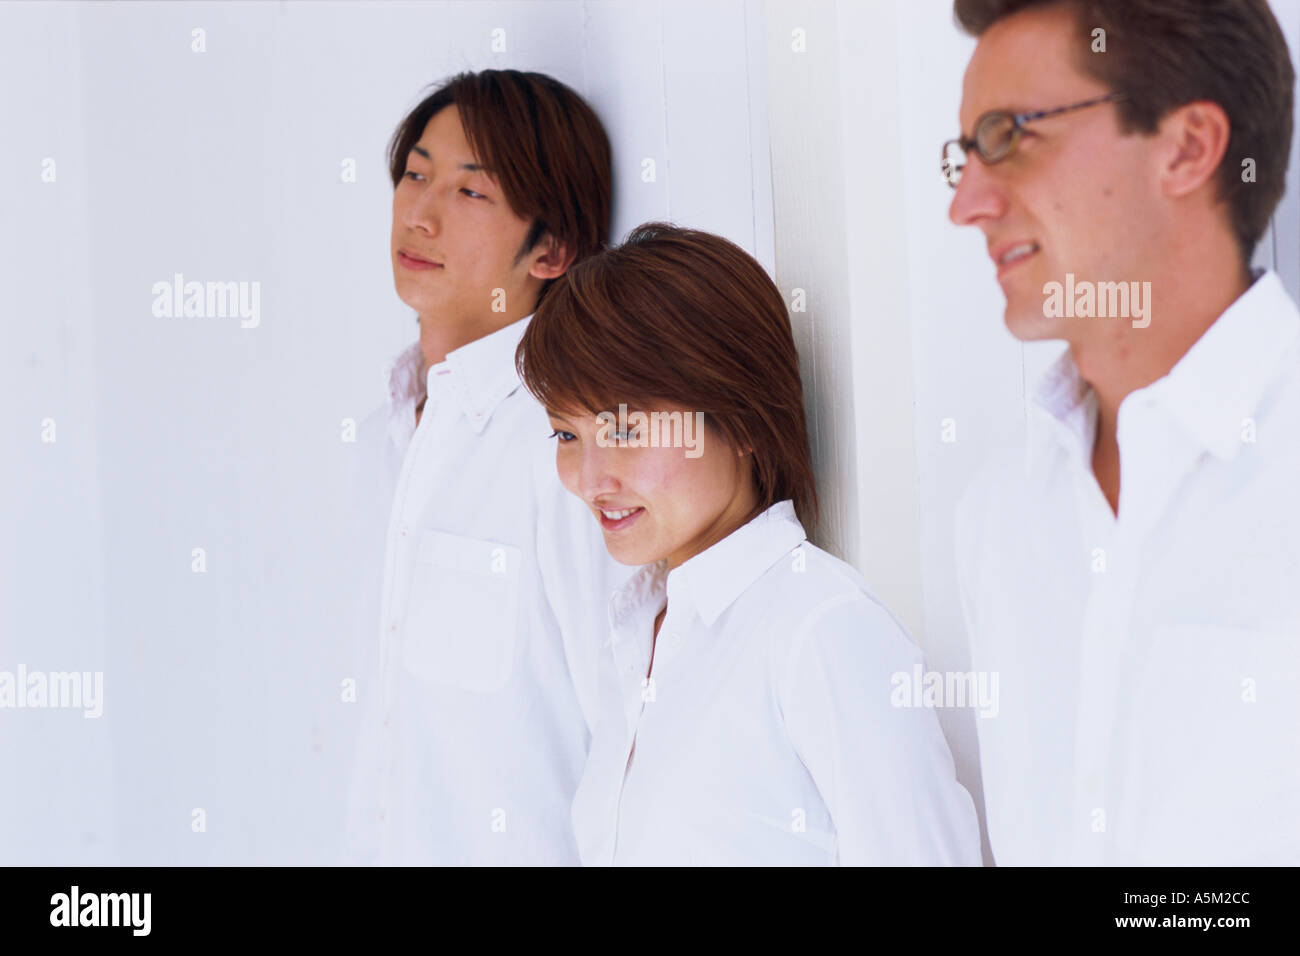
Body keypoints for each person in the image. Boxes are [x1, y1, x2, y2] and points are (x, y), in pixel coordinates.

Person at [945, 0, 1300, 864]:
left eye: (1009, 136)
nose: (966, 204)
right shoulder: (999, 513)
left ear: (1186, 148)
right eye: (963, 155)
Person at [515, 223, 983, 865]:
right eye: (566, 437)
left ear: (738, 421)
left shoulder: (820, 628)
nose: (592, 479)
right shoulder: (637, 633)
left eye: (624, 429)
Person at [340, 69, 630, 865]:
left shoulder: (569, 447)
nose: (419, 214)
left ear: (553, 249)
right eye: (415, 174)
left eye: (471, 194)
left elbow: (634, 738)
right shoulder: (381, 443)